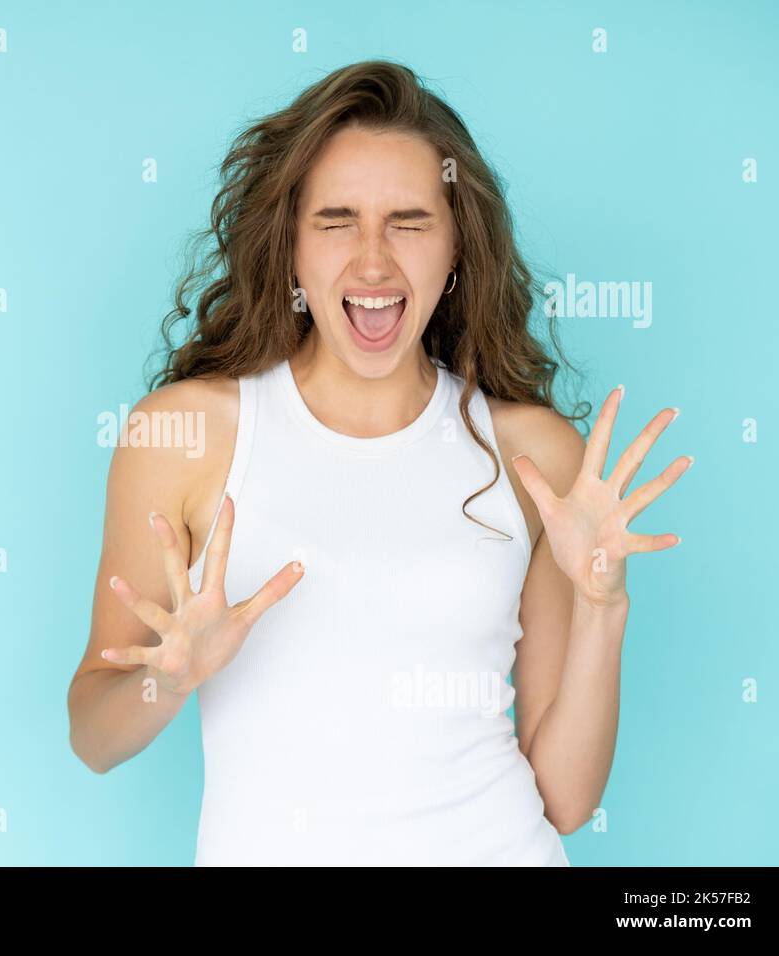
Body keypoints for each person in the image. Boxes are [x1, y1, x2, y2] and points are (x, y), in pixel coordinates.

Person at [67, 60, 691, 865]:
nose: (372, 262)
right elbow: (93, 736)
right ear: (289, 246)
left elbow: (566, 801)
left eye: (409, 221)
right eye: (335, 221)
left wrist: (604, 605)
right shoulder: (186, 434)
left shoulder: (534, 457)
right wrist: (173, 677)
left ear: (458, 246)